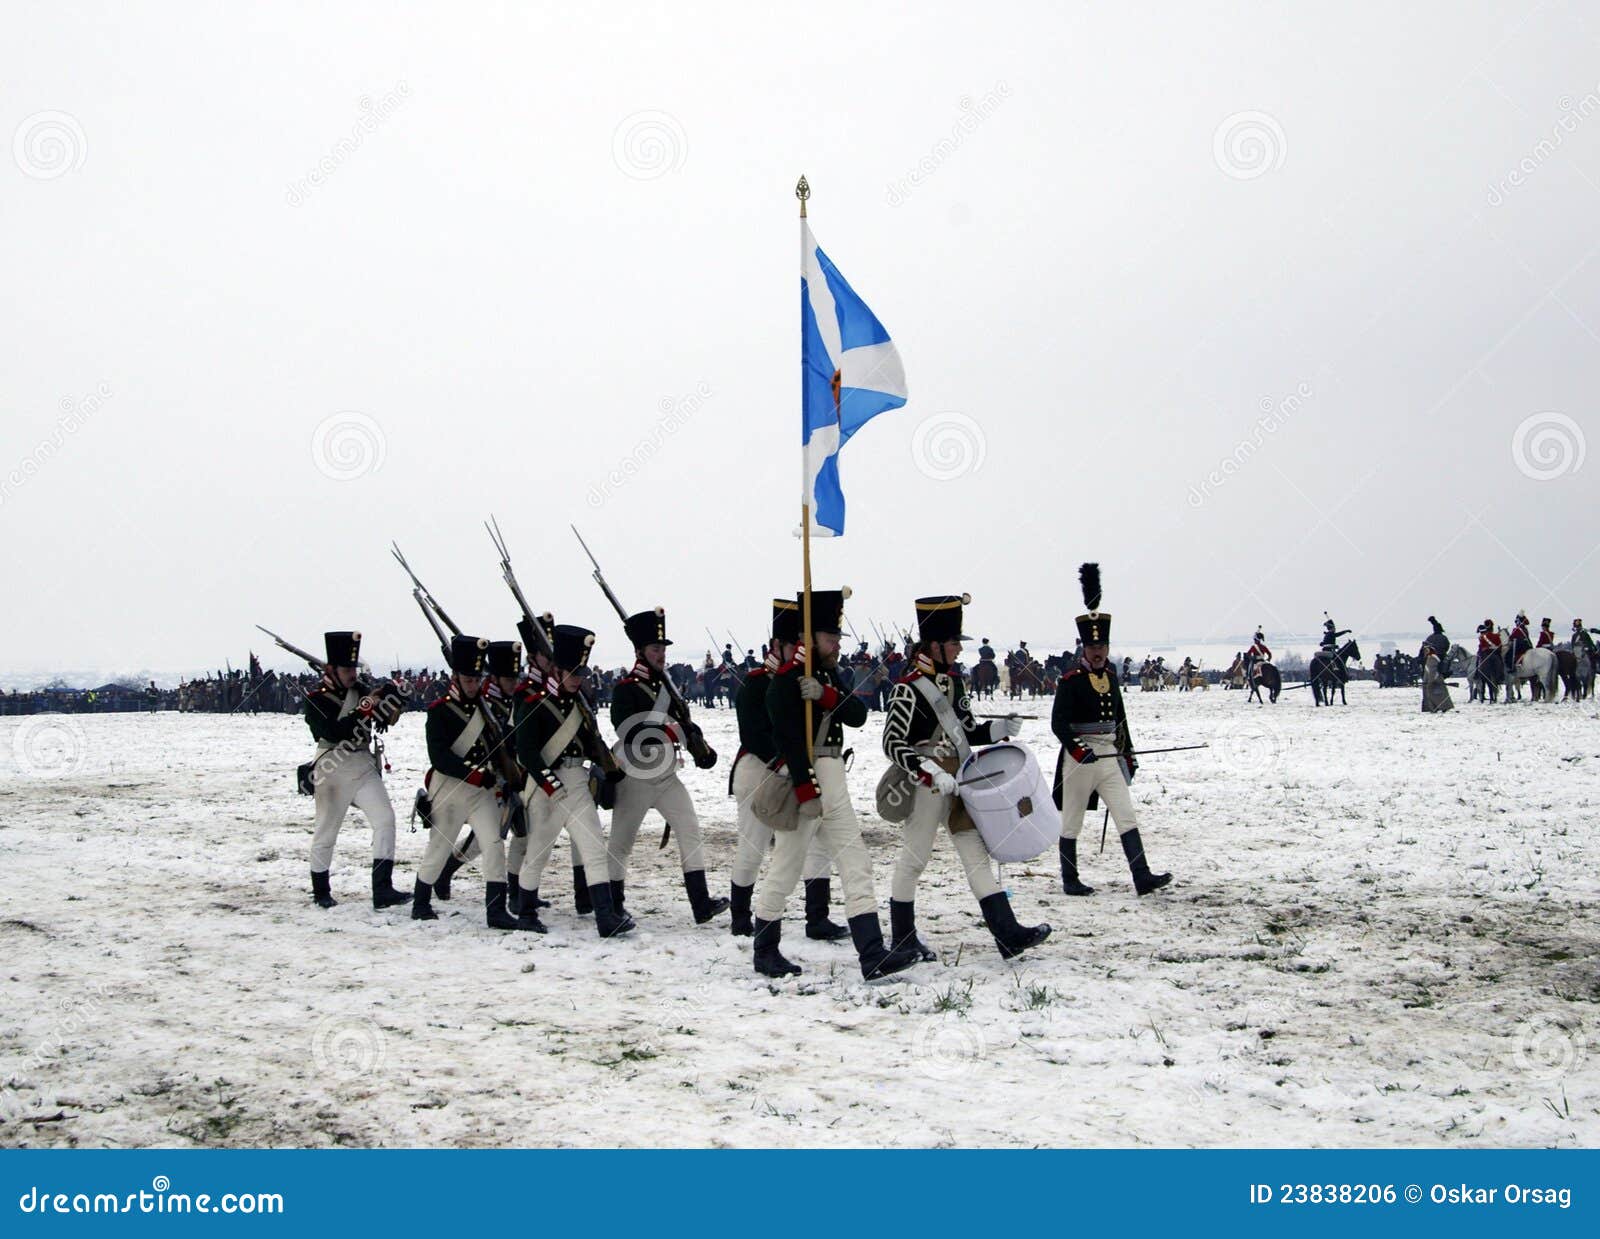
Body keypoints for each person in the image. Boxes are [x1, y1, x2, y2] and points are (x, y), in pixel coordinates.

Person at [750, 588, 920, 980]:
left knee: (855, 861)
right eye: (830, 637)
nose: (838, 645)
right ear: (808, 637)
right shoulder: (786, 679)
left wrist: (826, 695)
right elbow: (788, 739)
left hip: (834, 777)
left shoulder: (827, 676)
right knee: (787, 867)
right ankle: (764, 950)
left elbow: (858, 714)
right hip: (805, 779)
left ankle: (872, 953)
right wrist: (805, 789)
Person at [882, 593, 1050, 961]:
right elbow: (892, 743)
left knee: (976, 855)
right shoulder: (907, 687)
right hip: (926, 785)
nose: (959, 648)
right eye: (954, 642)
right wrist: (927, 770)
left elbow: (967, 729)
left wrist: (998, 730)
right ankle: (903, 938)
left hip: (960, 780)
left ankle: (1007, 934)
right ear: (935, 645)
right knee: (915, 859)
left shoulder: (954, 682)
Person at [727, 596, 846, 941]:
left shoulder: (806, 677)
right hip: (760, 769)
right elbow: (754, 734)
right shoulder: (757, 681)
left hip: (802, 768)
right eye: (793, 644)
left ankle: (817, 918)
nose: (799, 650)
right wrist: (789, 763)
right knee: (753, 845)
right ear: (776, 645)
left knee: (817, 845)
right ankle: (740, 917)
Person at [1053, 564, 1171, 897]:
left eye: (1102, 646)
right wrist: (1078, 749)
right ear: (1084, 649)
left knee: (1126, 815)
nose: (1098, 652)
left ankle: (1142, 876)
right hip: (1080, 759)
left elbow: (1120, 719)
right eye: (1093, 648)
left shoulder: (1112, 676)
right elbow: (1058, 723)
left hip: (1109, 757)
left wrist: (1127, 752)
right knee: (1072, 821)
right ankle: (1070, 880)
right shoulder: (1070, 680)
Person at [608, 607, 727, 925]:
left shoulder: (667, 687)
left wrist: (700, 747)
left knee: (690, 831)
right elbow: (626, 731)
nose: (661, 654)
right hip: (635, 776)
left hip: (666, 776)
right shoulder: (626, 688)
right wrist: (670, 731)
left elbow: (683, 724)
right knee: (621, 843)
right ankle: (614, 906)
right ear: (639, 652)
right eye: (654, 649)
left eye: (662, 649)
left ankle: (701, 904)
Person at [512, 624, 632, 938]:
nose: (579, 679)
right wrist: (549, 783)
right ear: (557, 670)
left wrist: (611, 769)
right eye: (574, 673)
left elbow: (592, 743)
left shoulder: (579, 704)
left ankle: (606, 918)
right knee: (538, 852)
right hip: (545, 786)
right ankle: (526, 913)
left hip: (577, 782)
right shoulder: (533, 703)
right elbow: (526, 752)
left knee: (593, 846)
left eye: (582, 673)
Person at [411, 635, 531, 930]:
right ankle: (421, 903)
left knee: (493, 844)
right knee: (440, 847)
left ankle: (496, 911)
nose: (473, 685)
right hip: (450, 788)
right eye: (468, 680)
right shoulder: (439, 710)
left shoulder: (485, 709)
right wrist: (476, 774)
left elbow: (498, 745)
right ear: (456, 677)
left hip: (481, 792)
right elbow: (440, 757)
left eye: (477, 680)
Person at [303, 629, 409, 910]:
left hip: (362, 764)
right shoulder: (316, 699)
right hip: (332, 765)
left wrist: (391, 698)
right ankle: (321, 891)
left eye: (353, 668)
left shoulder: (360, 691)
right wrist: (366, 705)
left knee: (385, 819)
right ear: (331, 670)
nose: (352, 674)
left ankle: (382, 889)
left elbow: (385, 717)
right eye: (346, 669)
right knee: (326, 830)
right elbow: (334, 731)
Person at [1421, 645, 1453, 713]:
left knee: (1435, 694)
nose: (1425, 652)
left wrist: (1430, 681)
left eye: (1426, 650)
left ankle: (1438, 707)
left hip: (1435, 679)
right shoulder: (1430, 658)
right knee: (1437, 694)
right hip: (1432, 679)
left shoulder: (1432, 658)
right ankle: (1437, 707)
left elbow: (1432, 671)